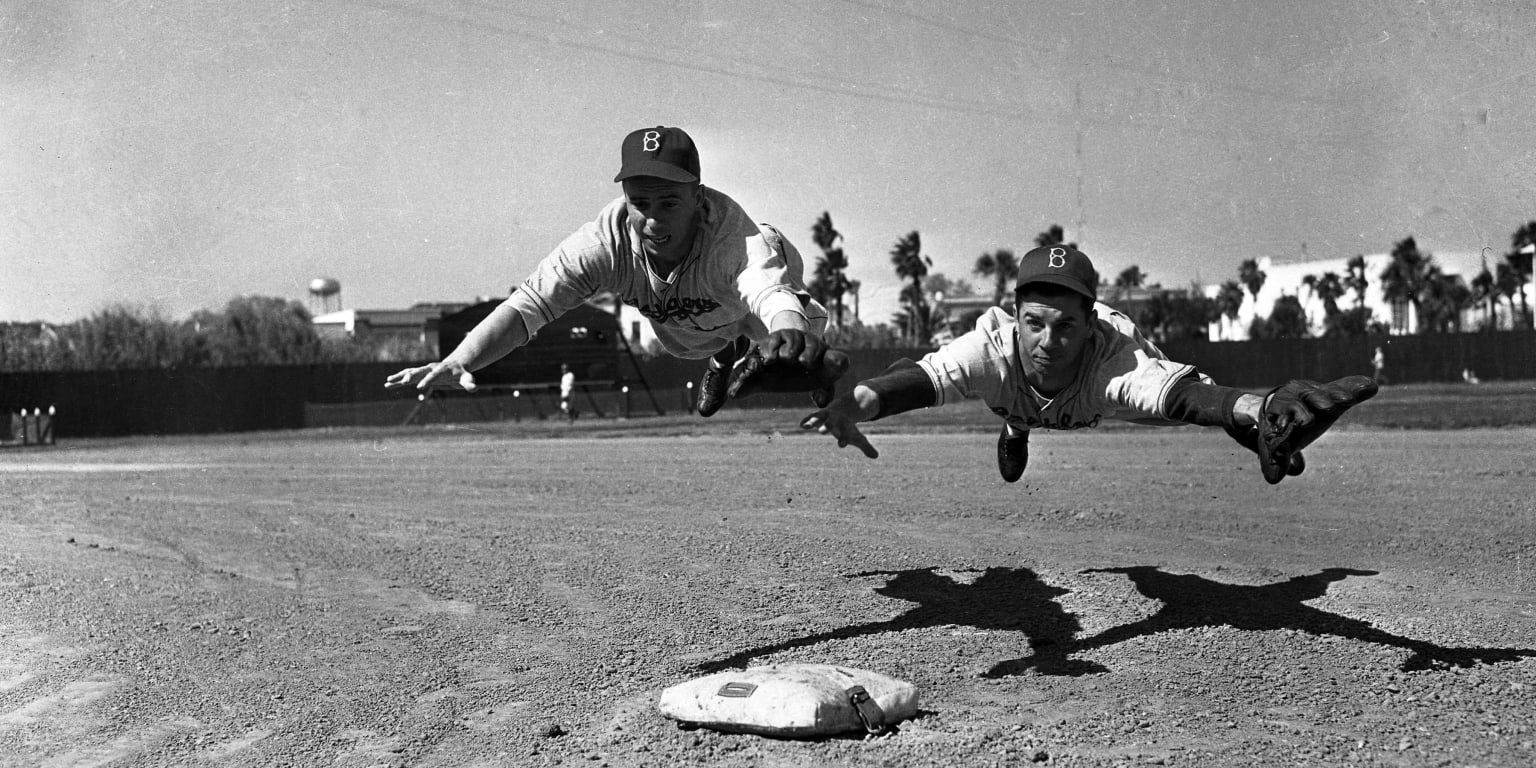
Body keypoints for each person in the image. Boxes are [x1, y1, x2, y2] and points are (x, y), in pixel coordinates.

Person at [800, 244, 1378, 485]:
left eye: (1066, 326)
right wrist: (855, 404)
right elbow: (919, 379)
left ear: (1091, 321)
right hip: (1016, 399)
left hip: (1094, 399)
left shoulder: (1113, 361)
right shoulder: (989, 350)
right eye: (1034, 322)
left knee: (1184, 402)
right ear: (1014, 314)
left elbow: (1186, 397)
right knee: (1014, 404)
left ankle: (1261, 432)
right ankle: (1016, 427)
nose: (1048, 340)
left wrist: (1262, 405)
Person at [386, 125, 845, 414]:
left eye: (669, 203)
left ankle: (808, 364)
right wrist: (460, 360)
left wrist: (790, 331)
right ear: (625, 197)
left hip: (749, 296)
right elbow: (526, 307)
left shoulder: (733, 238)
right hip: (688, 325)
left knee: (793, 333)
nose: (652, 219)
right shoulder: (603, 244)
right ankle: (724, 356)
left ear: (698, 198)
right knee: (684, 343)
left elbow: (770, 293)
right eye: (640, 202)